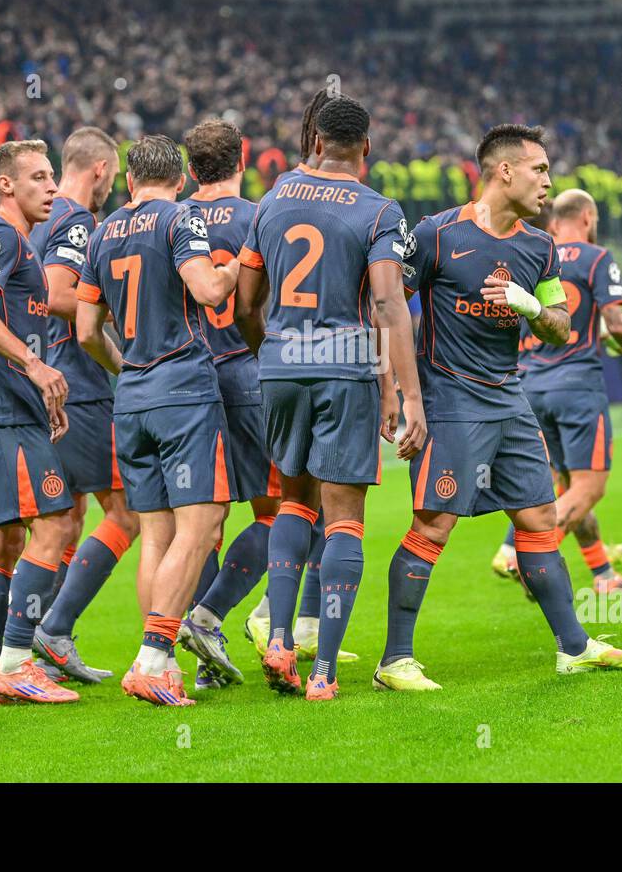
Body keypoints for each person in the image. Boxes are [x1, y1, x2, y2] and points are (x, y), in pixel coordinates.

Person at [375, 126, 622, 692]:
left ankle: (573, 648)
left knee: (539, 521)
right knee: (433, 524)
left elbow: (562, 328)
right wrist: (403, 395)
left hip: (510, 397)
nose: (549, 182)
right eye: (539, 170)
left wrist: (530, 306)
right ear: (504, 172)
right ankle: (393, 662)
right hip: (451, 401)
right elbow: (386, 310)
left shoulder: (539, 247)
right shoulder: (436, 234)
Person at [235, 95, 426, 701]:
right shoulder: (379, 212)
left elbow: (242, 303)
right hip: (345, 367)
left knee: (293, 503)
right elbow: (389, 304)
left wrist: (276, 351)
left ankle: (280, 640)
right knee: (345, 519)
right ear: (365, 148)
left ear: (314, 141)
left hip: (281, 365)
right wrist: (405, 394)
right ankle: (324, 674)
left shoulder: (270, 201)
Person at [74, 134, 240, 708]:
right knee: (204, 521)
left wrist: (126, 370)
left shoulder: (102, 233)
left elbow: (86, 330)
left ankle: (156, 659)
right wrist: (236, 263)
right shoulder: (179, 219)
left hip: (134, 397)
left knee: (156, 534)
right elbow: (208, 289)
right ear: (180, 178)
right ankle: (152, 658)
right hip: (184, 391)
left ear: (126, 180)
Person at [0, 139, 79, 706]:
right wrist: (33, 364)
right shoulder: (1, 235)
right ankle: (18, 659)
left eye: (53, 176)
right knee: (55, 526)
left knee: (2, 540)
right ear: (6, 185)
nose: (52, 187)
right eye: (39, 177)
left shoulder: (19, 242)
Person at [170, 118, 283, 690]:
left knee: (203, 522)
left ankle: (202, 662)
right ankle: (209, 620)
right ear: (245, 159)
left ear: (189, 169)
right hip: (244, 371)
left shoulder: (174, 218)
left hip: (186, 381)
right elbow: (266, 305)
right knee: (280, 511)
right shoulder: (257, 217)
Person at [29, 127, 142, 685]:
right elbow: (53, 294)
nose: (113, 185)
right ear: (100, 169)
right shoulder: (75, 220)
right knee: (126, 513)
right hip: (81, 386)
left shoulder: (36, 220)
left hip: (47, 386)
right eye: (114, 175)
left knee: (65, 521)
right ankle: (54, 628)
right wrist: (112, 302)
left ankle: (29, 646)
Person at [490, 189, 622, 594]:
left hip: (530, 386)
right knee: (590, 488)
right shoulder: (596, 257)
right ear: (588, 217)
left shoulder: (535, 254)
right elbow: (614, 319)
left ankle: (603, 575)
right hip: (577, 385)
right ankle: (530, 559)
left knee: (567, 485)